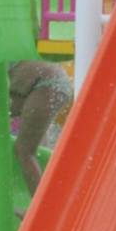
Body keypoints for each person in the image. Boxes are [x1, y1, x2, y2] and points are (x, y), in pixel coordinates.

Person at [8, 61, 72, 194]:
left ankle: (42, 206)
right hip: (50, 83)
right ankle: (46, 196)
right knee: (37, 151)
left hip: (47, 84)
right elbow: (15, 104)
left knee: (24, 151)